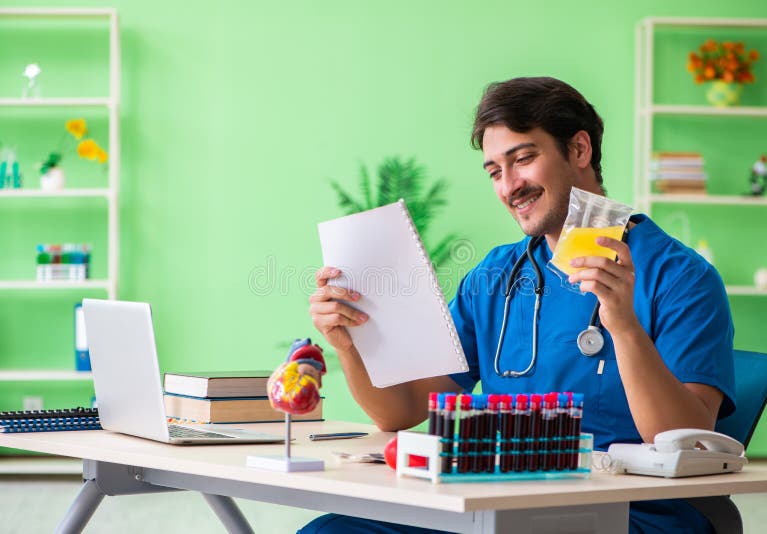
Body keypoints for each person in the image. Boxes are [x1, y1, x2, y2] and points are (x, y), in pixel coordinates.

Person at [304, 77, 735, 534]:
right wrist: (351, 343)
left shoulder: (681, 277)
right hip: (500, 503)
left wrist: (624, 326)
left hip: (631, 512)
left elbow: (683, 440)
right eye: (494, 171)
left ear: (580, 150)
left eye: (523, 159)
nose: (510, 186)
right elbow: (403, 410)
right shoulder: (494, 277)